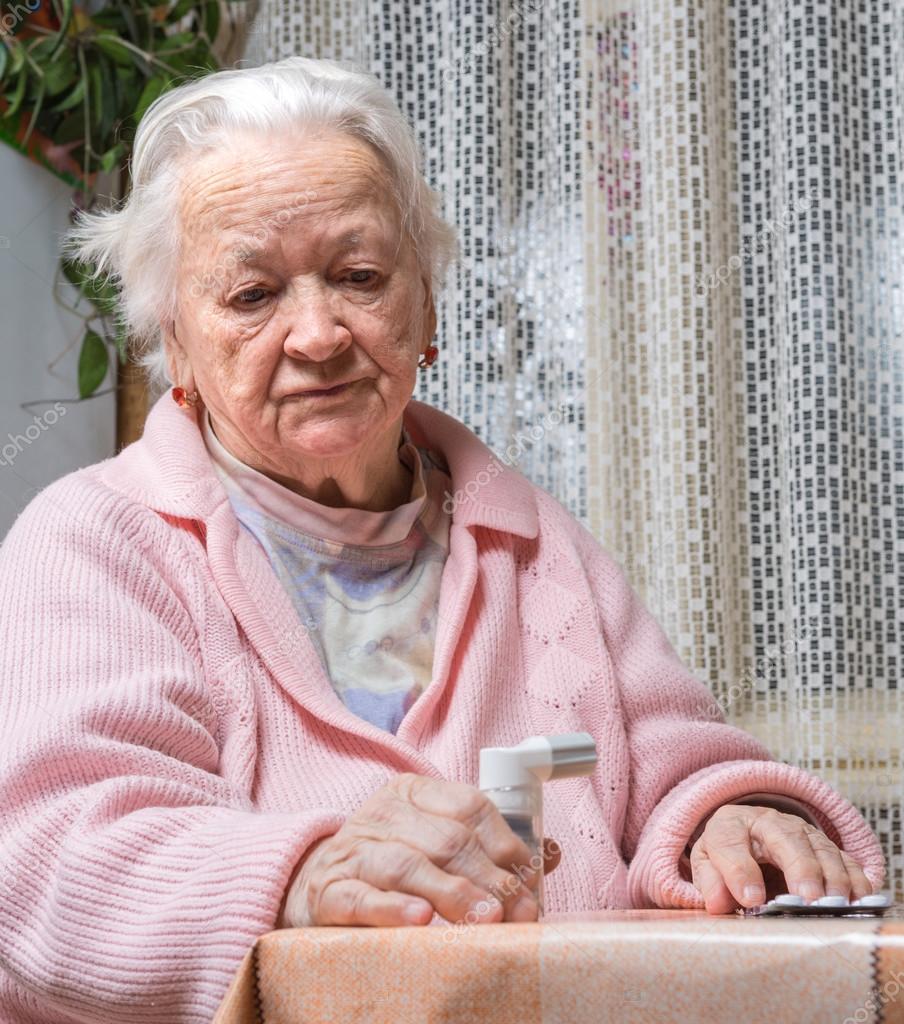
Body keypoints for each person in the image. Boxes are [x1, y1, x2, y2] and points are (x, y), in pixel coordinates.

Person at [0, 56, 883, 1024]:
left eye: (359, 276)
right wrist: (304, 873)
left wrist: (731, 818)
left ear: (424, 301)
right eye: (252, 295)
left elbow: (672, 761)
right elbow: (42, 865)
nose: (319, 334)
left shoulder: (530, 536)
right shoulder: (97, 542)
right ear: (174, 337)